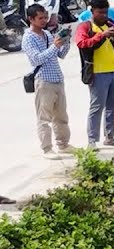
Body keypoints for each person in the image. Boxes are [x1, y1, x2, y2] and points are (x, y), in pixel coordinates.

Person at [22, 3, 73, 159]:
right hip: (44, 80)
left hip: (57, 78)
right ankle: (47, 149)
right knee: (44, 117)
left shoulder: (47, 34)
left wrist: (65, 41)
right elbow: (37, 59)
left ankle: (63, 144)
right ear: (31, 19)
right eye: (40, 18)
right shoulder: (28, 37)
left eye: (46, 17)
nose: (44, 20)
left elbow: (60, 55)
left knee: (61, 115)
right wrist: (54, 47)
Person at [75, 0, 114, 150]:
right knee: (97, 107)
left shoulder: (110, 23)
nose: (103, 15)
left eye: (105, 12)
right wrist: (102, 35)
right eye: (100, 12)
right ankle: (92, 141)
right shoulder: (85, 26)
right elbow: (82, 44)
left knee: (112, 106)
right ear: (92, 11)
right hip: (98, 73)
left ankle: (110, 137)